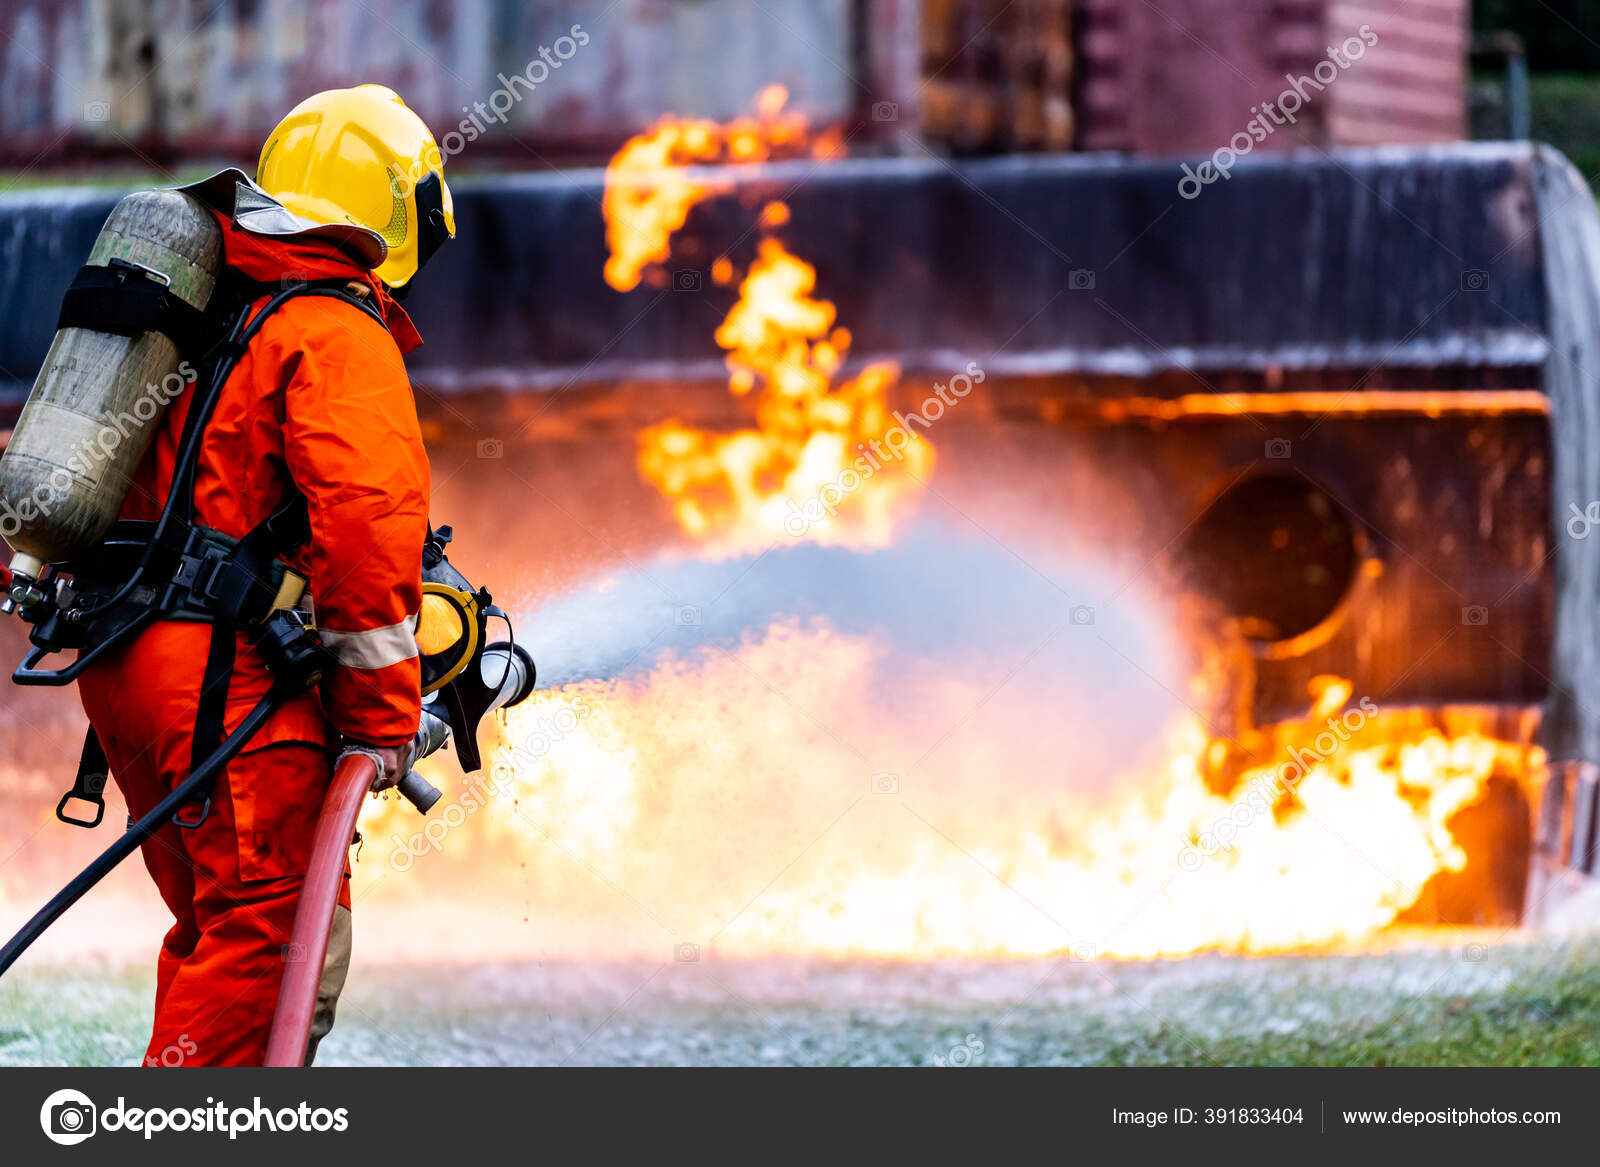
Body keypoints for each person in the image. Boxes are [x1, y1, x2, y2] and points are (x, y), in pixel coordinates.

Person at [75, 85, 453, 1066]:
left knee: (222, 930)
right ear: (394, 209)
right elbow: (365, 527)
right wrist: (379, 718)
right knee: (266, 945)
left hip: (128, 667)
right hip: (226, 684)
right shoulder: (332, 333)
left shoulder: (205, 314)